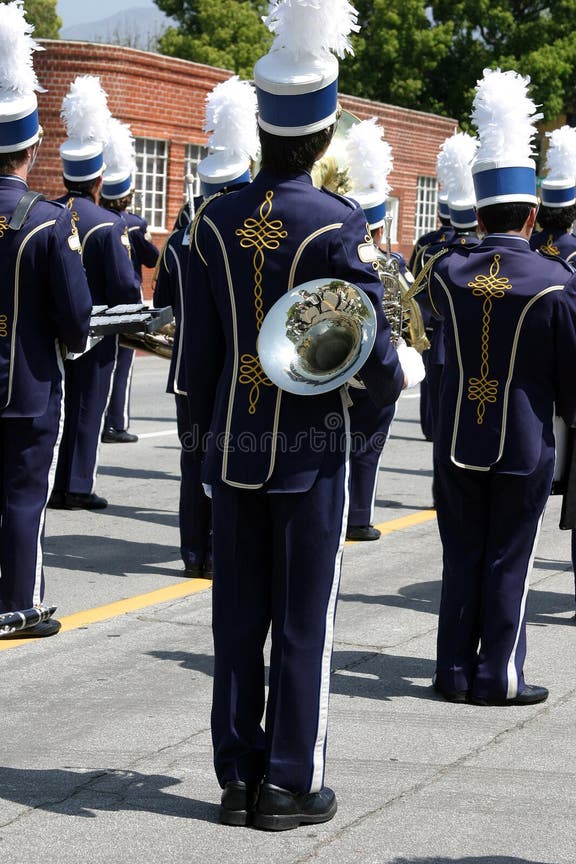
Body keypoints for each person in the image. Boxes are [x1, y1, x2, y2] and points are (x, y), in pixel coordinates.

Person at [183, 0, 421, 831]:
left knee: (237, 620)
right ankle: (290, 784)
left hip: (231, 448)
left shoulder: (209, 221)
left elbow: (197, 362)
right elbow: (373, 357)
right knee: (303, 624)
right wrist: (376, 409)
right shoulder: (337, 221)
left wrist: (205, 447)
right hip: (311, 450)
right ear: (322, 138)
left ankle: (237, 776)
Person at [427, 68, 576, 707]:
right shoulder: (555, 279)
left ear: (479, 209)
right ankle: (499, 676)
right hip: (524, 439)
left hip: (457, 433)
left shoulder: (445, 271)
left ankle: (453, 672)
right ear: (533, 213)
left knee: (461, 557)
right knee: (509, 558)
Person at [0, 4, 92, 634]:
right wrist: (75, 342)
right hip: (28, 386)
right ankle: (19, 603)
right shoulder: (50, 221)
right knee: (23, 499)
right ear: (32, 150)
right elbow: (76, 314)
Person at [153, 75, 259, 577]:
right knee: (229, 460)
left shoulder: (178, 241)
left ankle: (194, 552)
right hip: (235, 371)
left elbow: (164, 304)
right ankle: (222, 550)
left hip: (185, 374)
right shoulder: (243, 238)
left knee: (193, 460)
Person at [49, 76, 141, 511]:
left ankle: (54, 481)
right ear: (99, 179)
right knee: (87, 409)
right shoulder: (109, 223)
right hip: (96, 330)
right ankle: (77, 485)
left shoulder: (46, 213)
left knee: (58, 405)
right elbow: (125, 285)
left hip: (50, 329)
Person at [342, 118, 419, 541]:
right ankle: (359, 518)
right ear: (380, 226)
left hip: (335, 368)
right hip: (377, 370)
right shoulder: (393, 266)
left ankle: (334, 512)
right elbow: (407, 315)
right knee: (368, 448)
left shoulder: (333, 259)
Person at [100, 118, 160, 444]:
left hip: (95, 300)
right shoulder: (134, 223)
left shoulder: (92, 218)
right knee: (123, 365)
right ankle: (116, 423)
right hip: (126, 300)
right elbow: (152, 259)